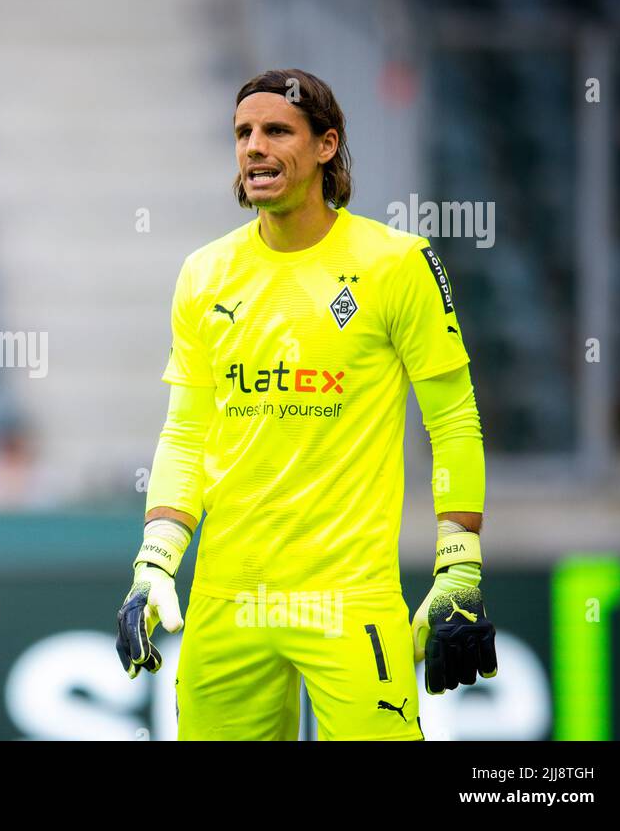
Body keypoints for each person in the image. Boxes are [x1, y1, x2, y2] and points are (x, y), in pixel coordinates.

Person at [115, 69, 496, 740]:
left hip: (349, 599)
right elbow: (185, 433)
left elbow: (455, 420)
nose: (255, 147)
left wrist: (459, 567)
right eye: (243, 133)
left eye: (276, 131)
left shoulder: (396, 262)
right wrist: (155, 561)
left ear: (326, 146)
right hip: (227, 599)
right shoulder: (204, 274)